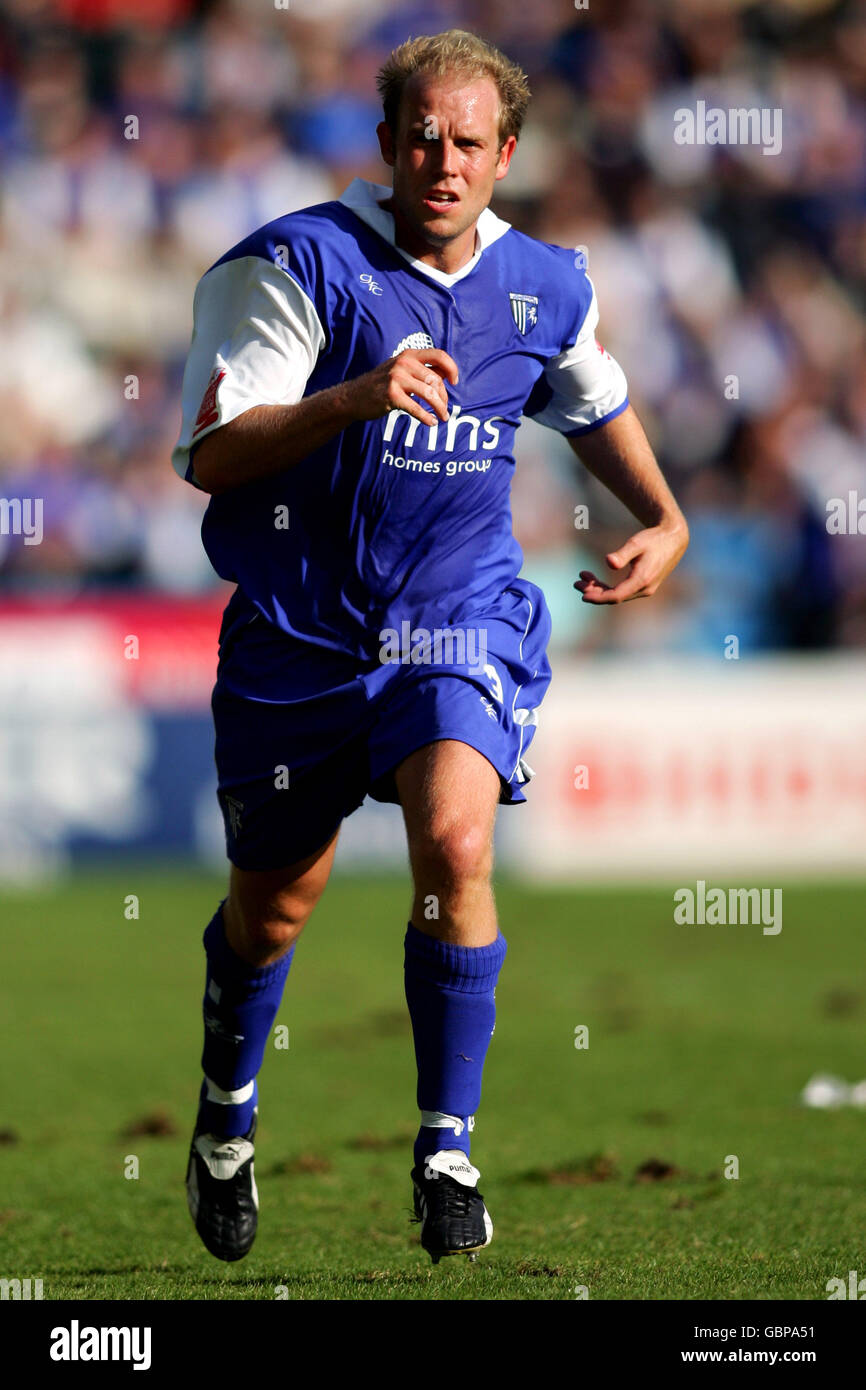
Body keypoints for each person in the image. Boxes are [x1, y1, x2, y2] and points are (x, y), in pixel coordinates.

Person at [171, 28, 688, 1267]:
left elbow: (590, 396)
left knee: (456, 840)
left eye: (467, 142)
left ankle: (445, 1146)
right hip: (299, 635)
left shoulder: (546, 282)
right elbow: (209, 455)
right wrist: (355, 393)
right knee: (273, 908)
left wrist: (663, 518)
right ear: (385, 141)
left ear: (504, 152)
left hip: (453, 618)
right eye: (420, 137)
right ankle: (228, 1119)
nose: (441, 161)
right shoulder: (299, 263)